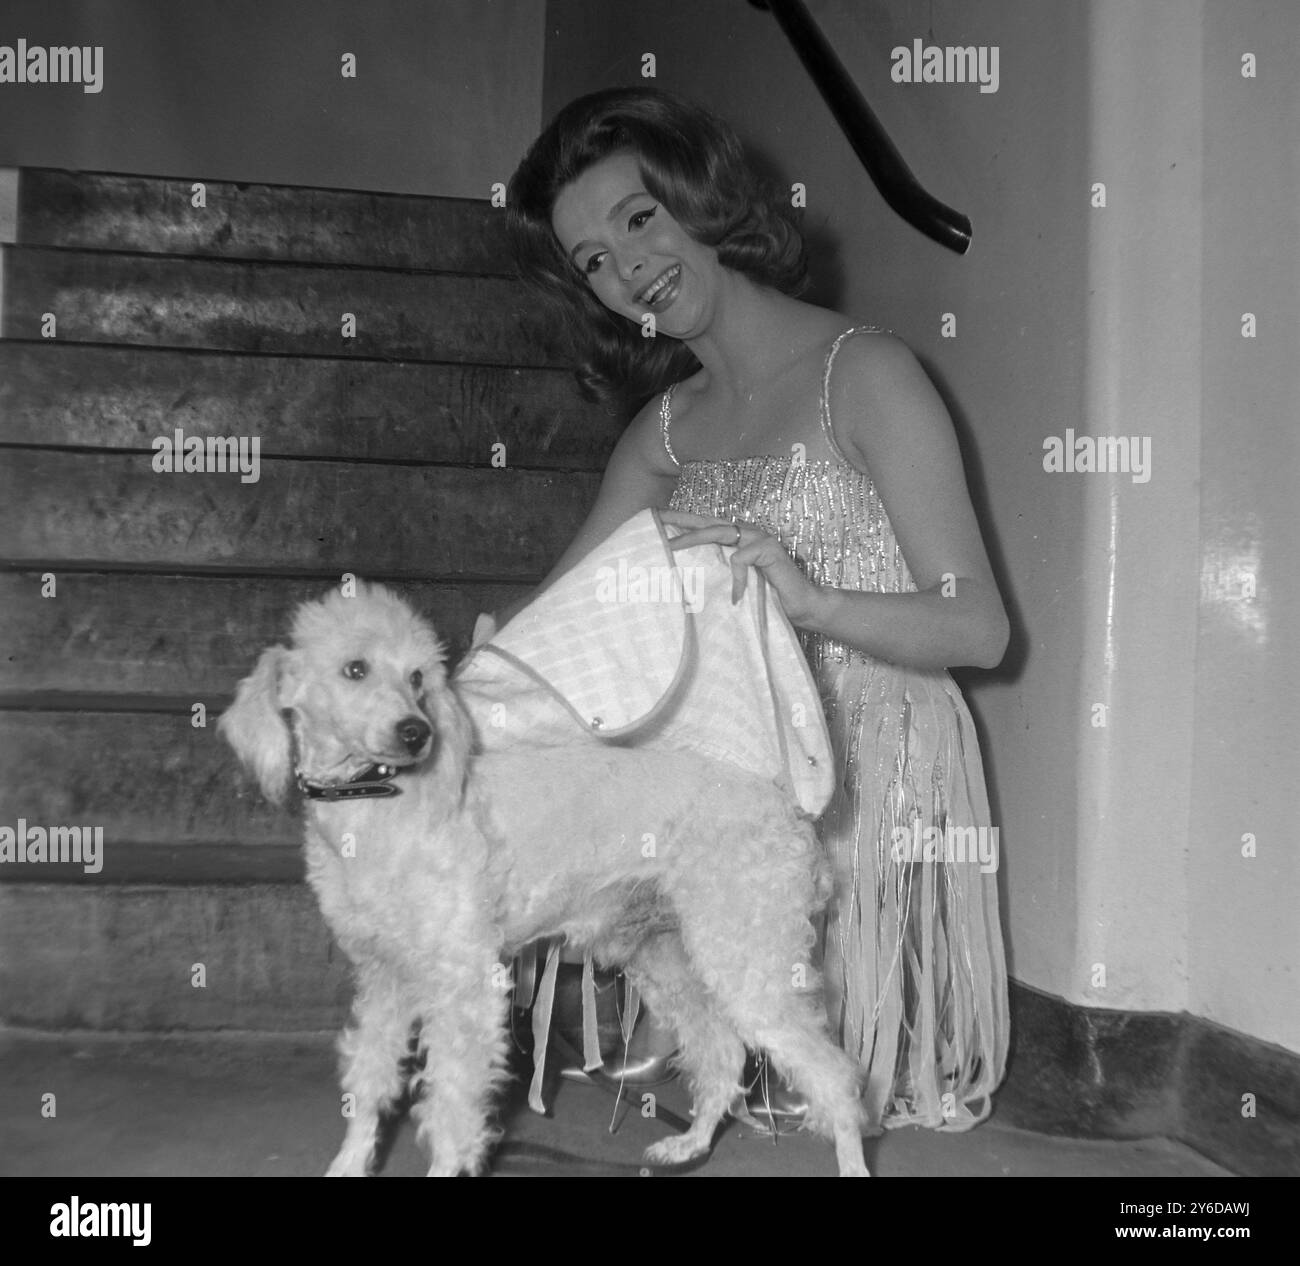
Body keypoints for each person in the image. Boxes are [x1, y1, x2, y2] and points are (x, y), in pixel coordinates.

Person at [503, 86, 1009, 1133]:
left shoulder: (864, 374)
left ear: (705, 200)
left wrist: (814, 601)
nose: (627, 267)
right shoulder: (664, 431)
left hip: (870, 774)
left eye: (638, 219)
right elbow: (557, 624)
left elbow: (978, 631)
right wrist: (474, 681)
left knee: (820, 1100)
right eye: (592, 259)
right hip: (741, 776)